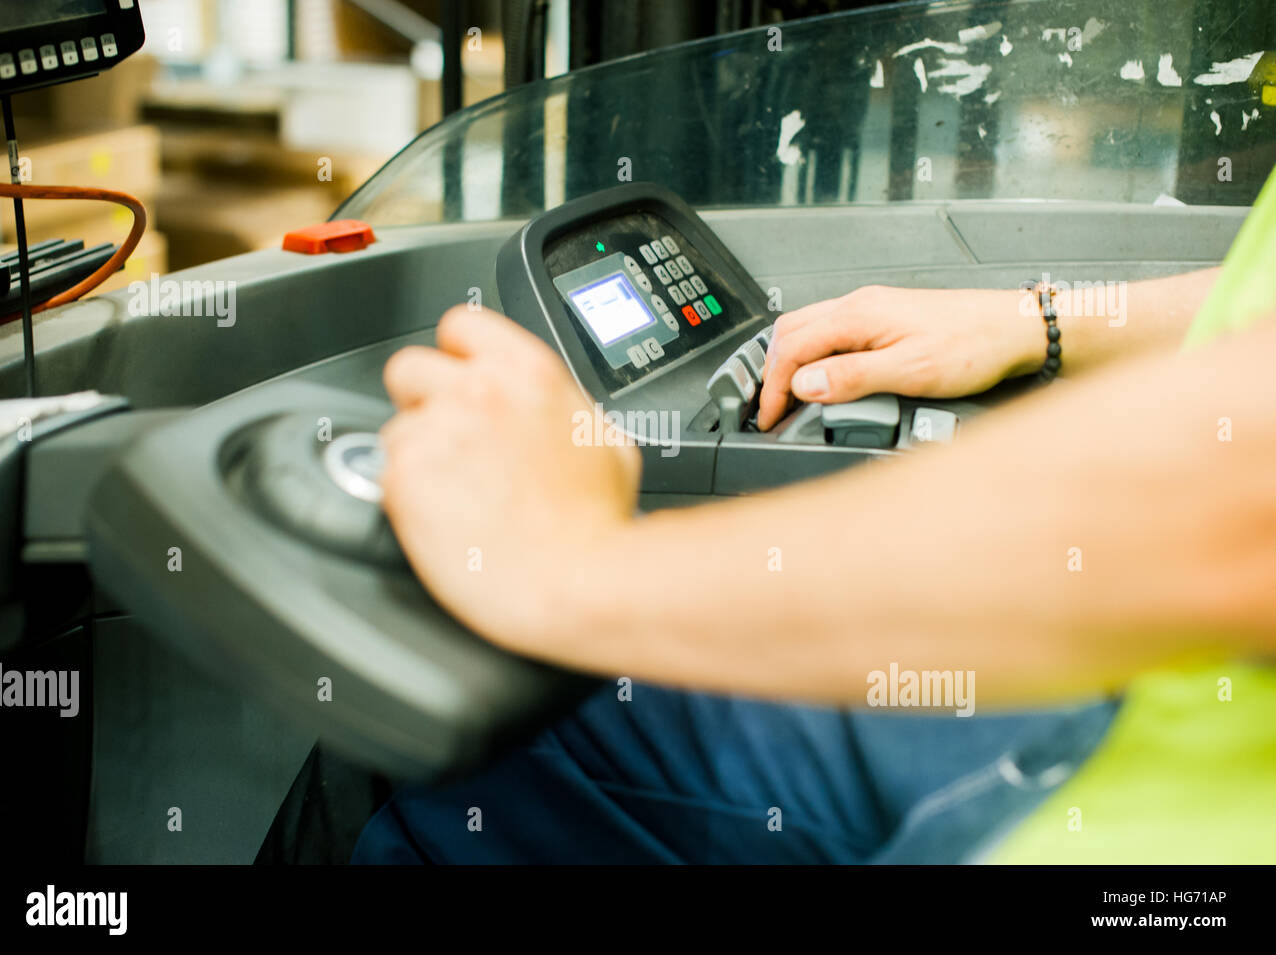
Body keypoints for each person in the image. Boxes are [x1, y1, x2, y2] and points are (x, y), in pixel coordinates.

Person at [351, 170, 1276, 864]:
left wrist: (567, 565)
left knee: (532, 712)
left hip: (1161, 818)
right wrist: (1038, 322)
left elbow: (1249, 507)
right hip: (1164, 701)